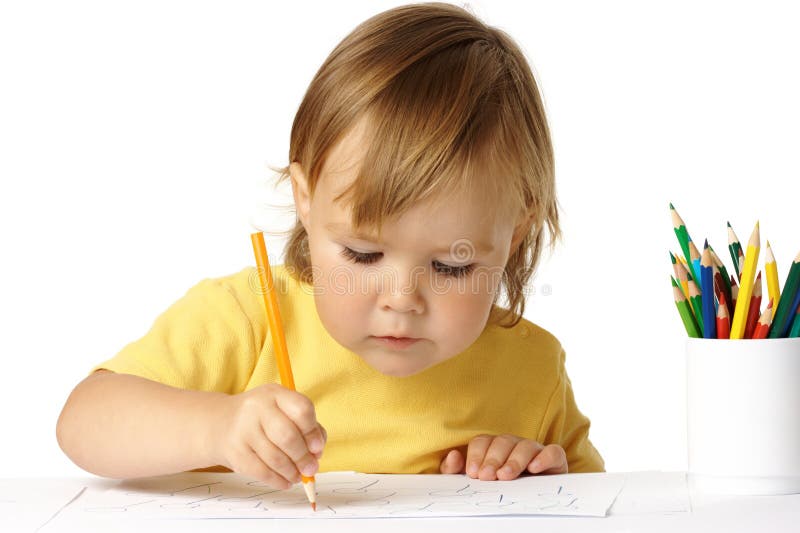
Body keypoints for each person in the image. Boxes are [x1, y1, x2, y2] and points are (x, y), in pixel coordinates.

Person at [56, 2, 604, 490]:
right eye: (364, 255)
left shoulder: (532, 370)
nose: (401, 299)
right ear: (305, 199)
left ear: (514, 236)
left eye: (451, 265)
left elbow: (600, 501)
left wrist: (533, 474)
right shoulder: (247, 319)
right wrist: (217, 427)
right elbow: (82, 423)